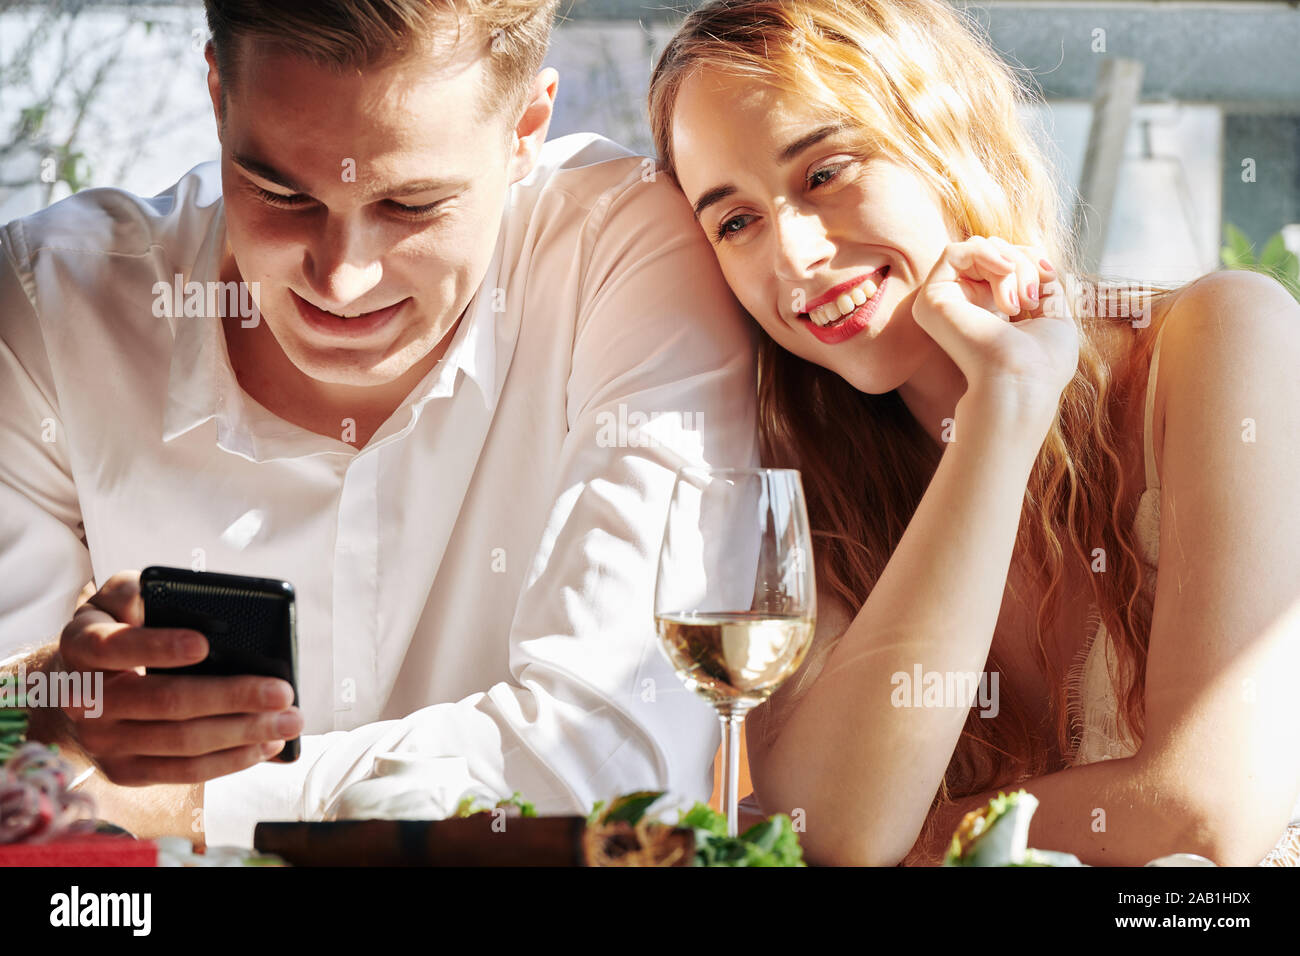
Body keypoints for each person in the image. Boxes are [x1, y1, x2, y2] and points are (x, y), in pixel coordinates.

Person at [0, 0, 759, 847]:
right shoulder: (44, 304)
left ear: (527, 128)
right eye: (278, 192)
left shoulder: (621, 253)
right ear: (217, 93)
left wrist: (189, 809)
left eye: (412, 205)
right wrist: (41, 703)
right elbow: (23, 785)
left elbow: (620, 758)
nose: (342, 281)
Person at [648, 0, 1300, 866]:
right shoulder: (792, 480)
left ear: (944, 132)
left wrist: (911, 835)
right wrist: (1003, 409)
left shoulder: (1225, 338)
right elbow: (831, 834)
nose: (793, 256)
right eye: (735, 221)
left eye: (825, 172)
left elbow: (1206, 819)